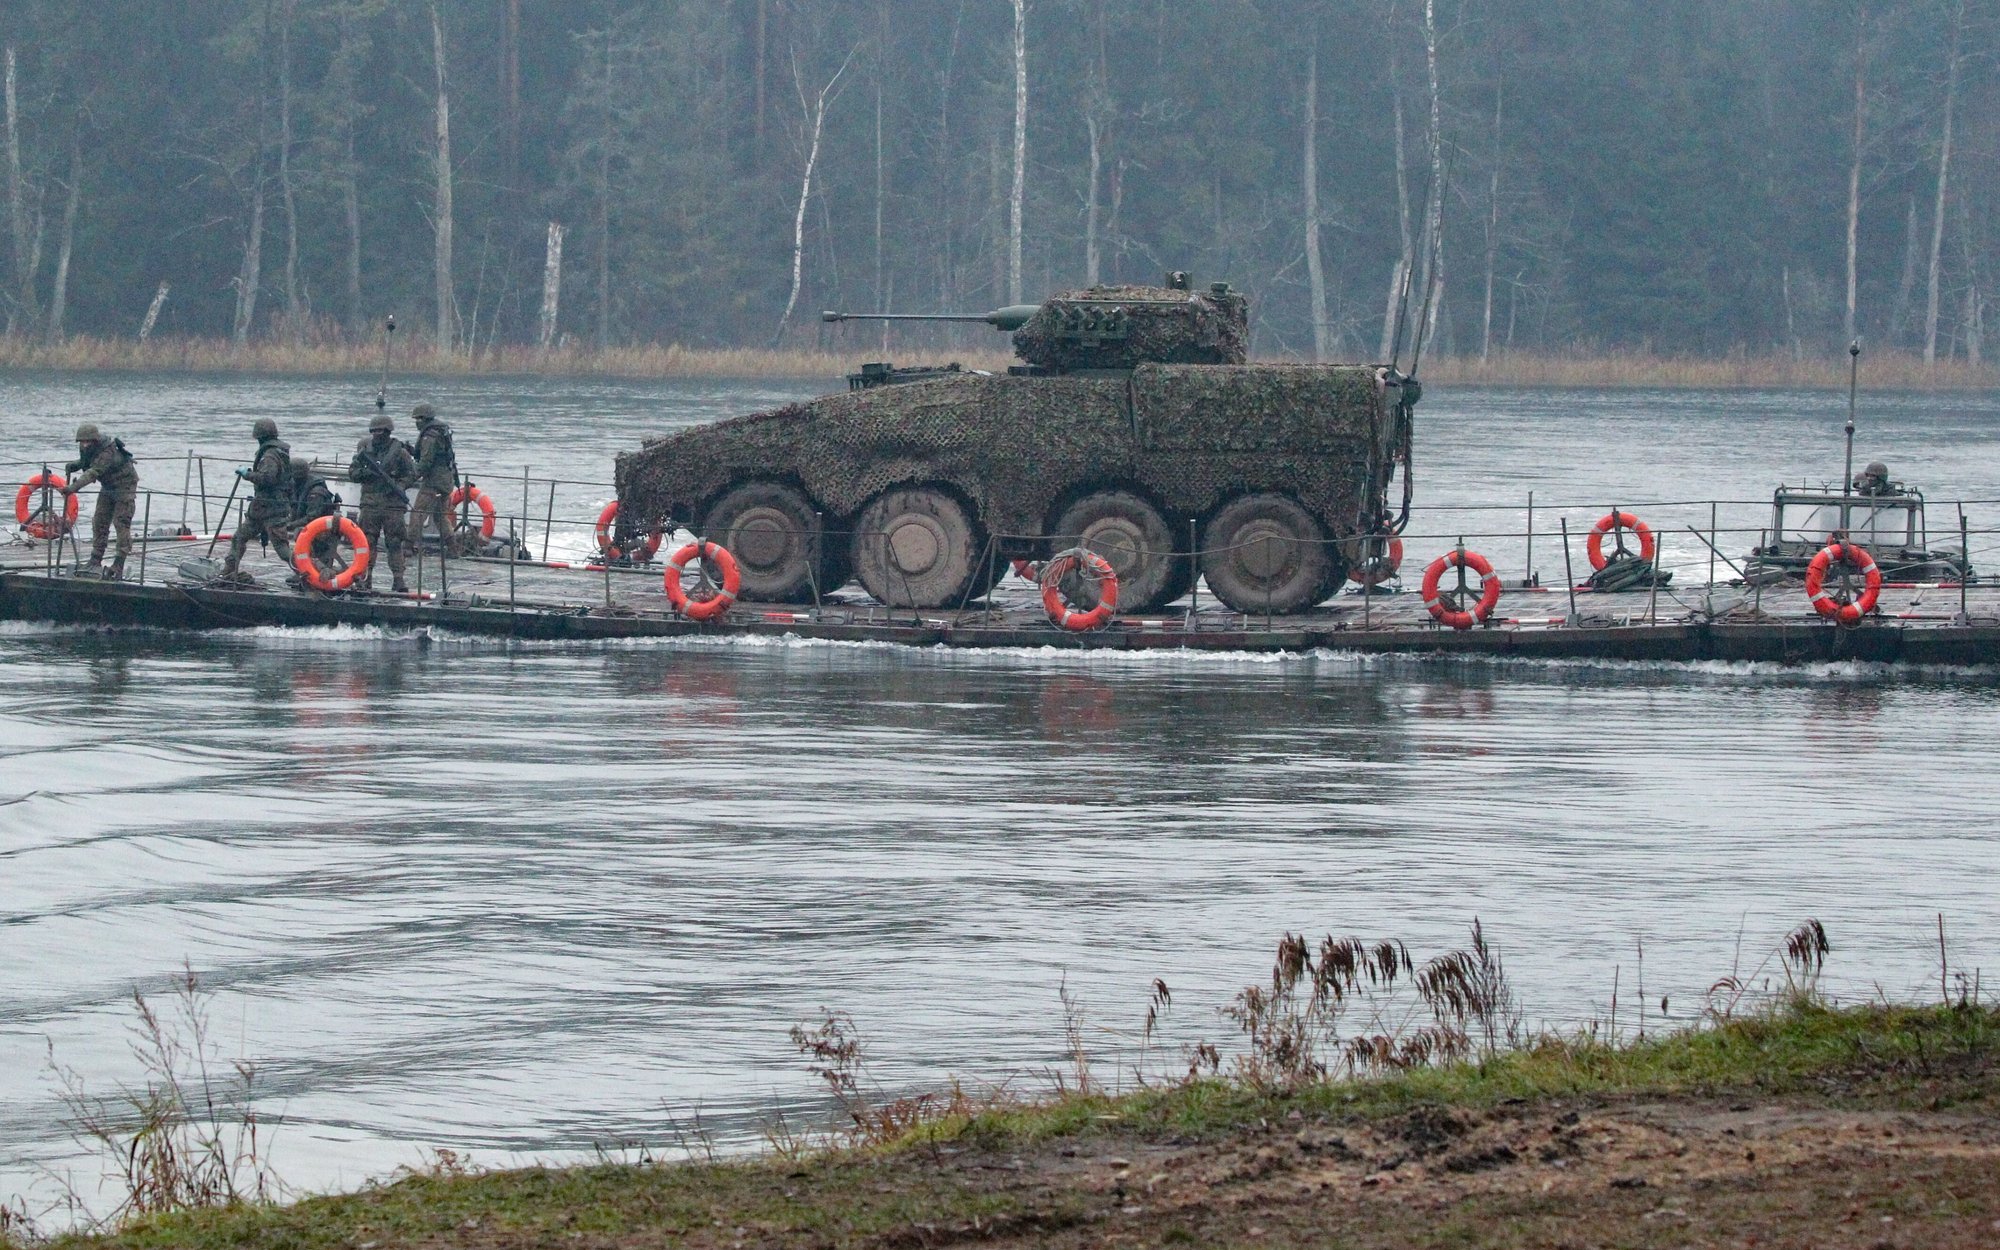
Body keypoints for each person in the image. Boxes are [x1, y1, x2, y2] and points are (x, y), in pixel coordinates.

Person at [348, 413, 417, 592]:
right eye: (375, 431)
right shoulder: (365, 451)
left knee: (394, 542)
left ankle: (398, 579)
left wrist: (399, 485)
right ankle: (366, 577)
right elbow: (353, 473)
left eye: (382, 431)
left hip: (393, 505)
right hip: (370, 503)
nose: (378, 435)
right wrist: (368, 473)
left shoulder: (400, 453)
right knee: (367, 542)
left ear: (388, 432)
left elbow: (411, 474)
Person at [219, 417, 294, 579]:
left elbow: (268, 478)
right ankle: (229, 569)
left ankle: (309, 570)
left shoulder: (270, 455)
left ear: (260, 437)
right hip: (261, 509)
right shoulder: (279, 453)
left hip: (271, 508)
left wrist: (247, 475)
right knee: (239, 537)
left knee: (282, 549)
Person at [62, 423, 139, 580]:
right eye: (81, 442)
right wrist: (75, 465)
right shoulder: (88, 449)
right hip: (108, 486)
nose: (84, 445)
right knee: (99, 521)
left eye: (87, 442)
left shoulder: (107, 451)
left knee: (121, 522)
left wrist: (73, 487)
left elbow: (94, 472)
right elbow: (88, 462)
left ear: (95, 440)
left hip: (125, 485)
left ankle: (119, 562)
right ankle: (95, 559)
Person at [284, 458, 344, 587]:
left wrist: (291, 525)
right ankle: (303, 569)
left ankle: (307, 569)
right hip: (313, 527)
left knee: (300, 534)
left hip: (323, 530)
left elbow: (312, 517)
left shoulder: (315, 492)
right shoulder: (298, 486)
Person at [409, 403, 457, 554]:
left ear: (424, 419)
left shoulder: (429, 436)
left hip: (433, 482)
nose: (416, 422)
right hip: (446, 481)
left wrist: (409, 478)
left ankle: (409, 546)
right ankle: (453, 547)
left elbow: (425, 463)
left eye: (418, 419)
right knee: (439, 516)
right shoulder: (440, 432)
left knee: (418, 512)